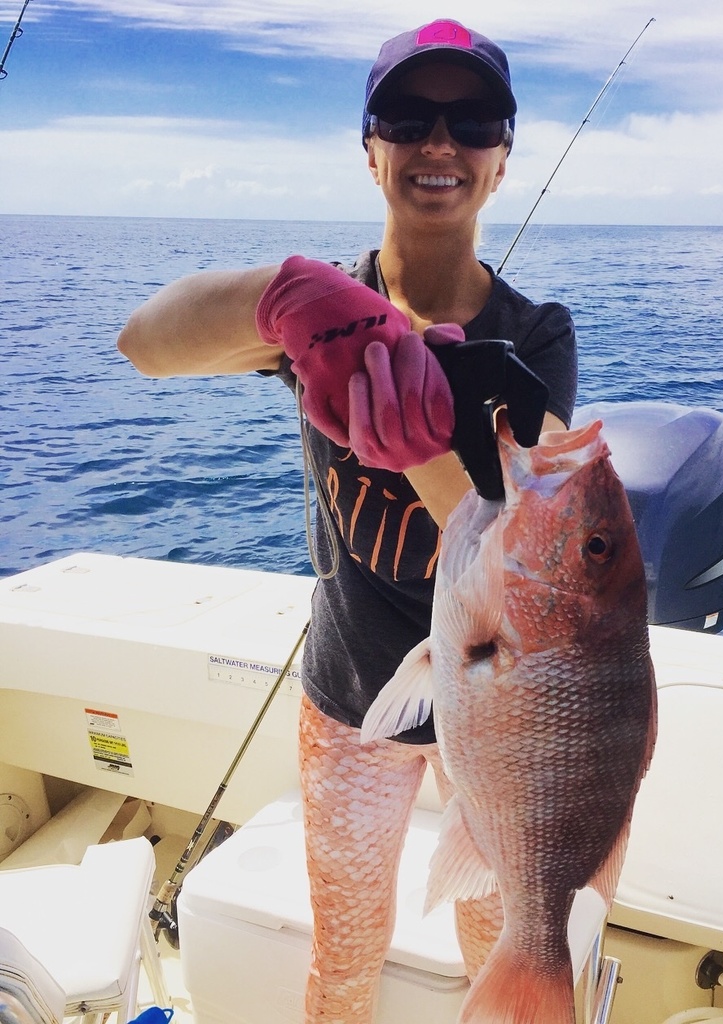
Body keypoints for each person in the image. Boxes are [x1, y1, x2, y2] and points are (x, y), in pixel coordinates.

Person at [118, 18, 577, 1023]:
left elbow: (532, 559)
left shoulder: (534, 335)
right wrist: (281, 296)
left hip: (492, 711)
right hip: (349, 697)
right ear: (369, 149)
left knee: (495, 949)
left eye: (474, 120)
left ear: (503, 158)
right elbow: (143, 345)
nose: (439, 141)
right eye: (407, 116)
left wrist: (420, 449)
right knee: (343, 956)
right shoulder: (323, 315)